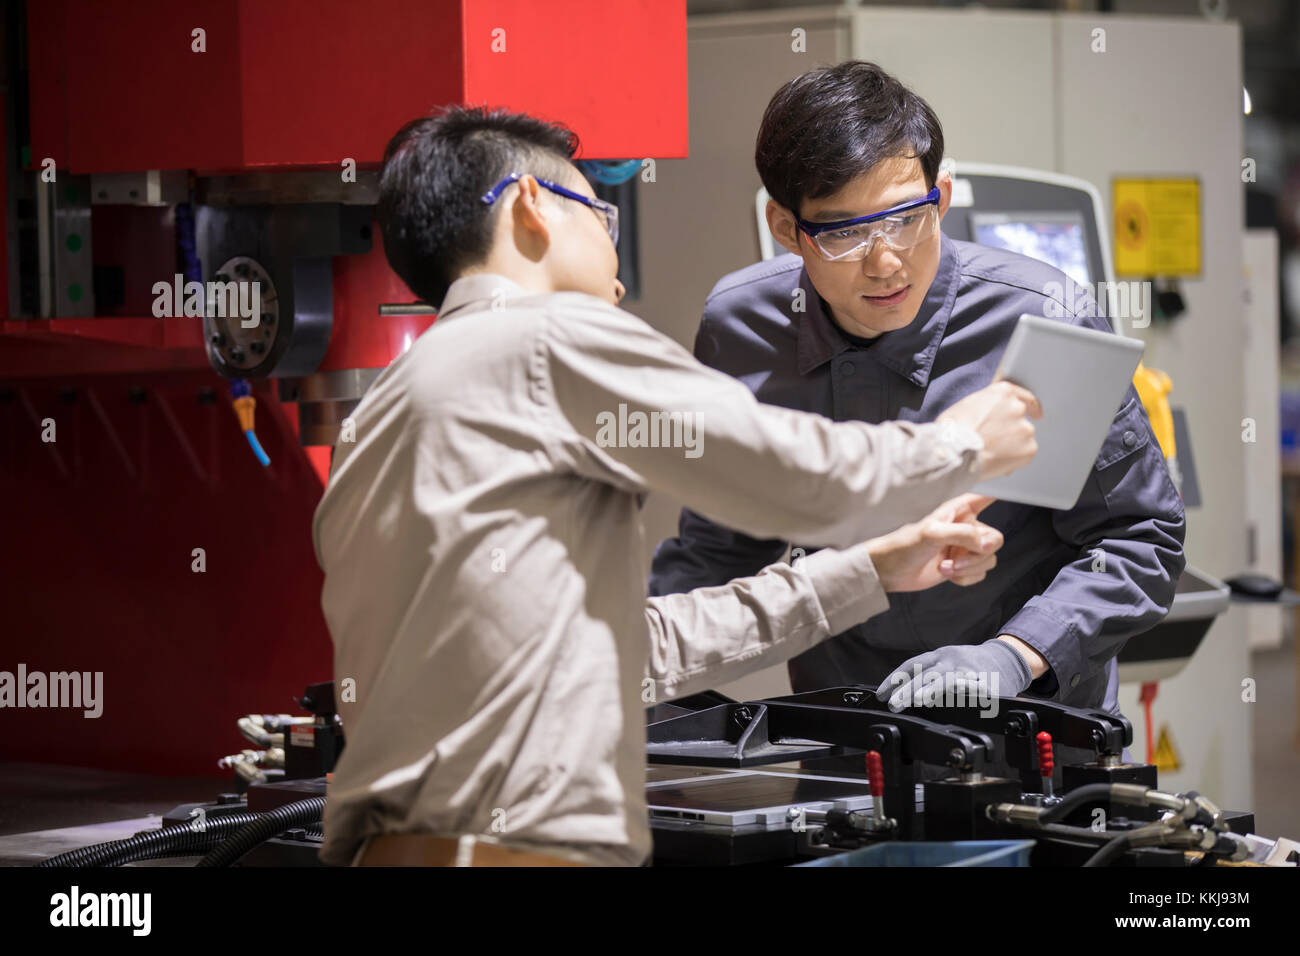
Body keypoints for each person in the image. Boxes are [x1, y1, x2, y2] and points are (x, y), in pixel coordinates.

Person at [311, 105, 1040, 867]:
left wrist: (870, 571)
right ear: (531, 205)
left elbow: (636, 649)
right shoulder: (545, 336)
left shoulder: (381, 413)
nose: (616, 271)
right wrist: (960, 445)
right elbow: (795, 475)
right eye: (600, 214)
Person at [649, 62, 1186, 728]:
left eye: (906, 219)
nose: (885, 262)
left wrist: (1014, 657)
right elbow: (720, 546)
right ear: (786, 229)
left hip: (1032, 725)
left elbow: (1139, 535)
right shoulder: (744, 329)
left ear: (942, 197)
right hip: (843, 728)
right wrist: (625, 667)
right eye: (843, 232)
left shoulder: (1047, 321)